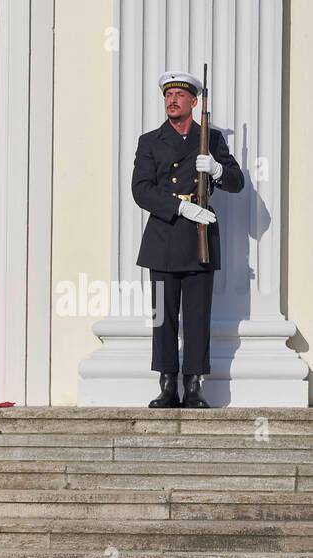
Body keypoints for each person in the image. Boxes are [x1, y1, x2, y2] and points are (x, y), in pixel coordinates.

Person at [132, 70, 244, 409]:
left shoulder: (210, 139)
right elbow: (141, 190)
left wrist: (218, 170)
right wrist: (180, 208)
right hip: (164, 236)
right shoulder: (150, 141)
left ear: (193, 102)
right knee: (163, 316)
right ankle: (167, 383)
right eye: (168, 95)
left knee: (197, 315)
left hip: (199, 238)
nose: (172, 100)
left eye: (179, 95)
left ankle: (194, 384)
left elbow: (237, 182)